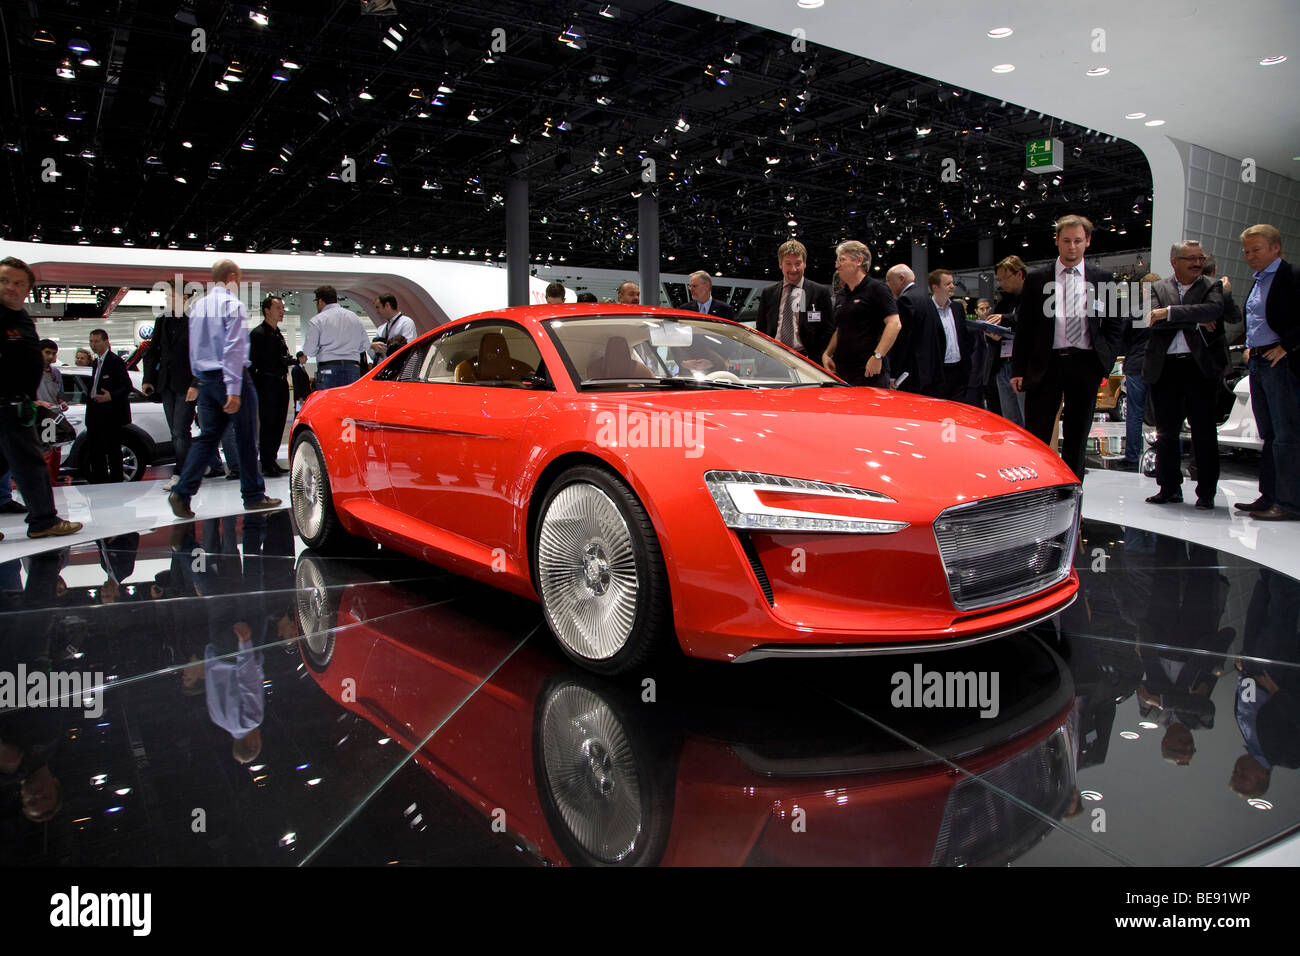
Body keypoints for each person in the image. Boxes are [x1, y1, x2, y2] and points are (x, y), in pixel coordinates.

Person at [1011, 214, 1124, 480]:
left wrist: (1104, 361)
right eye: (1066, 241)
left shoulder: (1103, 278)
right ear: (1057, 242)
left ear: (1087, 241)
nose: (1072, 246)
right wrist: (1018, 368)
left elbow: (1116, 322)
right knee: (1037, 434)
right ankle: (1037, 487)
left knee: (1078, 434)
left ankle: (1073, 491)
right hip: (1045, 364)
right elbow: (1024, 327)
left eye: (1077, 241)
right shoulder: (1037, 279)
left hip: (1085, 364)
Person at [167, 259, 280, 519]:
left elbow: (193, 350)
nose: (239, 284)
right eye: (239, 279)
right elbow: (233, 349)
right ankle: (253, 496)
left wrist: (200, 379)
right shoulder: (232, 305)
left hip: (205, 378)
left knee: (207, 438)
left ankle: (182, 492)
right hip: (232, 378)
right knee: (246, 437)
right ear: (231, 277)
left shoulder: (198, 307)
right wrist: (233, 388)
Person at [0, 256, 82, 540]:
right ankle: (43, 520)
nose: (11, 287)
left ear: (27, 290)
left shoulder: (20, 317)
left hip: (18, 402)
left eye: (19, 283)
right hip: (7, 405)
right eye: (4, 281)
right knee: (30, 463)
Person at [1143, 241, 1228, 509]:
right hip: (1165, 367)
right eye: (1190, 258)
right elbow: (1152, 323)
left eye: (1200, 258)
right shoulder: (1158, 287)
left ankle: (1206, 492)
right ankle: (1169, 488)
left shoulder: (1211, 286)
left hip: (1199, 368)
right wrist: (1194, 319)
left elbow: (1214, 310)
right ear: (1174, 262)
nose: (1197, 263)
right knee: (1166, 432)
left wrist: (1169, 313)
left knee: (1203, 431)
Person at [1235, 224, 1299, 521]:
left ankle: (1289, 502)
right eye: (1247, 251)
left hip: (1281, 363)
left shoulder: (1291, 276)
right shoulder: (1259, 280)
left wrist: (1286, 345)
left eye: (1256, 249)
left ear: (1276, 248)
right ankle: (1269, 495)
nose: (1250, 256)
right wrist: (1250, 346)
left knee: (1287, 435)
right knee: (1269, 434)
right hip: (1259, 362)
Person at [142, 279, 201, 491]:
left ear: (184, 297)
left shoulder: (195, 321)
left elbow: (201, 355)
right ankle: (186, 471)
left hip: (187, 385)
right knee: (176, 432)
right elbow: (153, 351)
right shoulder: (162, 321)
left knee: (180, 430)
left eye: (171, 295)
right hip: (166, 384)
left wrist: (196, 383)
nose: (167, 299)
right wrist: (148, 379)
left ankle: (182, 473)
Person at [822, 240, 900, 387]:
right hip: (842, 372)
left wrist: (878, 356)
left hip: (869, 371)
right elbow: (841, 328)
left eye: (842, 260)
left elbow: (894, 324)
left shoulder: (877, 289)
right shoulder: (843, 294)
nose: (837, 265)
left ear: (859, 261)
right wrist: (827, 353)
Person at [755, 239, 835, 363]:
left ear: (805, 264)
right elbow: (761, 327)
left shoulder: (820, 292)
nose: (793, 269)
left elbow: (828, 329)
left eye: (798, 263)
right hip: (773, 358)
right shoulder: (768, 293)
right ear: (780, 264)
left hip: (808, 361)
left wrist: (820, 356)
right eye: (788, 263)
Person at [1116, 273, 1160, 471]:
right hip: (1159, 365)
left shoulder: (1134, 311)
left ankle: (1132, 456)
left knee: (1135, 412)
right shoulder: (1164, 312)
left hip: (1135, 365)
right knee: (1165, 412)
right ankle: (1165, 453)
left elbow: (1123, 340)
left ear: (1143, 289)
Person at [907, 269, 974, 401]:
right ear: (935, 287)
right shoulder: (924, 309)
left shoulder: (957, 308)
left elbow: (963, 337)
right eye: (947, 283)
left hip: (959, 371)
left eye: (952, 283)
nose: (952, 286)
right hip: (936, 373)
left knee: (957, 412)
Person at [248, 294, 293, 477]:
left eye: (282, 308)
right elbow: (251, 363)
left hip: (281, 383)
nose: (281, 311)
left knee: (279, 423)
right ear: (267, 310)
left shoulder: (277, 334)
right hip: (266, 384)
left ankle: (271, 460)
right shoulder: (258, 334)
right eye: (278, 308)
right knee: (268, 424)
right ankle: (266, 463)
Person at [85, 328, 131, 484]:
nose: (93, 345)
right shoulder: (95, 362)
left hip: (111, 414)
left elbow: (127, 386)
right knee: (95, 450)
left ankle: (116, 481)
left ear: (106, 342)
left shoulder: (114, 361)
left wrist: (110, 396)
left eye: (96, 341)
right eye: (91, 341)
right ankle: (99, 480)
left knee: (112, 450)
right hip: (95, 412)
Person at [303, 285, 370, 390]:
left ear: (320, 301)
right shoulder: (354, 317)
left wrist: (321, 350)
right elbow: (365, 345)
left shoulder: (317, 320)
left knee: (328, 404)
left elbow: (309, 351)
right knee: (349, 404)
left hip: (327, 368)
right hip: (352, 367)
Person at [989, 257, 1027, 424]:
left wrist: (1004, 319)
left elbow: (1026, 320)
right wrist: (991, 334)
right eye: (999, 279)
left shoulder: (1034, 296)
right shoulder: (1004, 301)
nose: (1002, 283)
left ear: (1019, 274)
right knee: (1010, 421)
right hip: (1002, 364)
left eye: (1005, 278)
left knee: (1027, 420)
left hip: (1023, 367)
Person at [35, 339, 67, 486]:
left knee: (55, 455)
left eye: (53, 354)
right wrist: (39, 403)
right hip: (40, 418)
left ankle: (52, 484)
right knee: (46, 455)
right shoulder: (30, 372)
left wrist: (61, 402)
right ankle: (46, 486)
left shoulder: (56, 373)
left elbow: (58, 395)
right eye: (47, 353)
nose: (50, 357)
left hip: (55, 418)